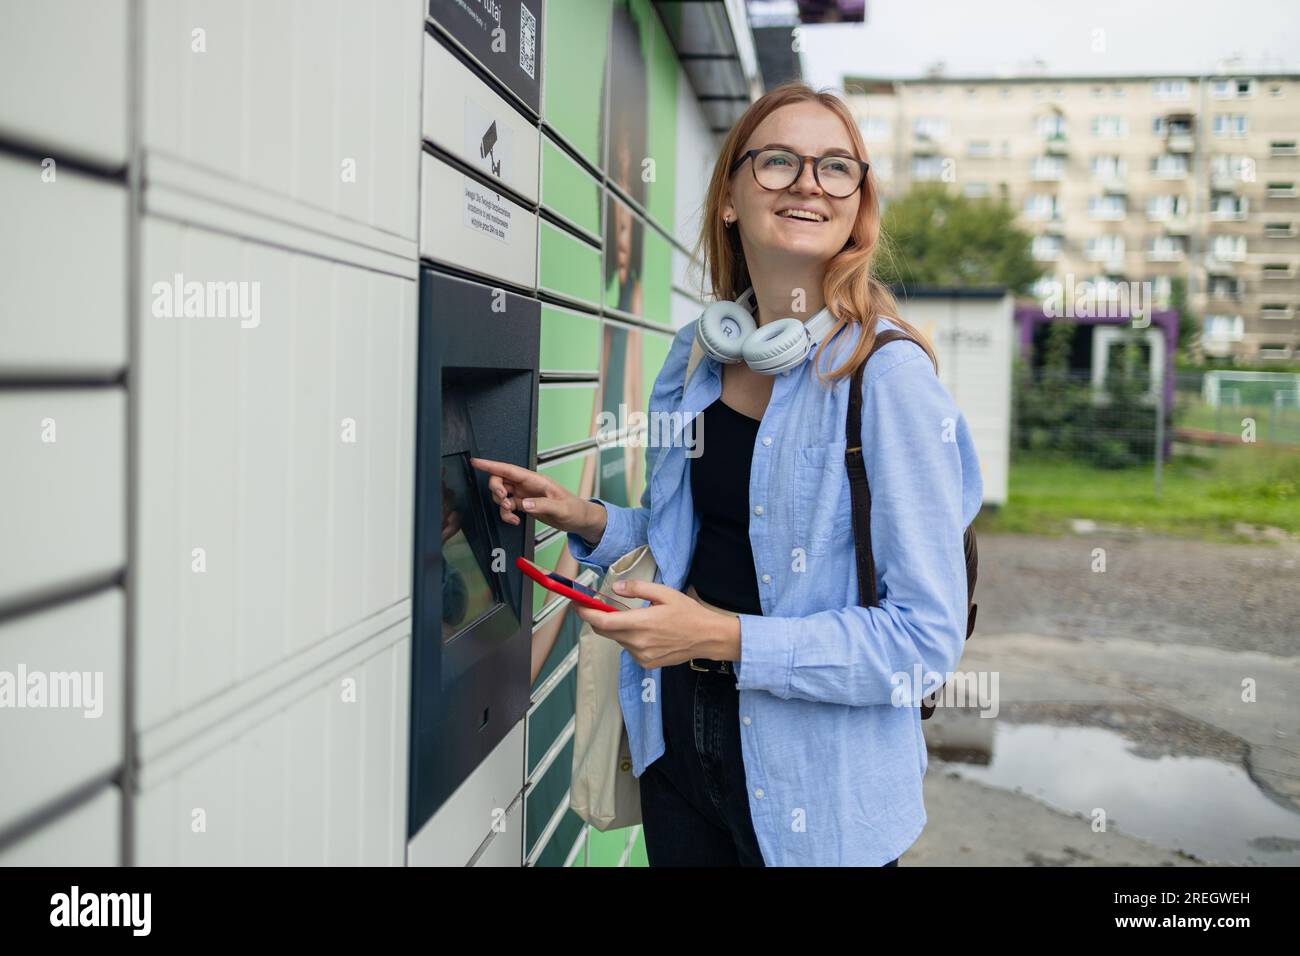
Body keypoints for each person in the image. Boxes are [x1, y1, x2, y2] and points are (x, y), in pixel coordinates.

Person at [471, 80, 982, 866]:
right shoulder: (699, 357)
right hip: (679, 744)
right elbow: (692, 540)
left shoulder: (888, 380)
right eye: (780, 161)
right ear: (733, 197)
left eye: (837, 167)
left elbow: (922, 641)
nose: (809, 182)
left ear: (857, 204)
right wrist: (591, 521)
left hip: (818, 784)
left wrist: (719, 635)